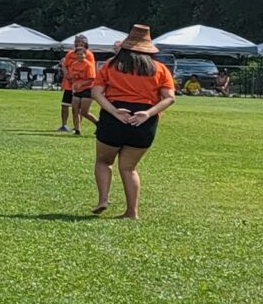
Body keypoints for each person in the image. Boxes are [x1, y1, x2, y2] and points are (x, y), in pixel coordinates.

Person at [90, 25, 177, 219]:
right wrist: (147, 113)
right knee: (129, 168)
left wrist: (113, 111)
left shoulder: (111, 66)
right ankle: (132, 212)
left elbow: (96, 93)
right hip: (144, 122)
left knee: (104, 161)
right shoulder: (160, 69)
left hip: (114, 118)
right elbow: (169, 97)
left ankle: (103, 200)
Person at [58, 36, 97, 135]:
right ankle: (75, 129)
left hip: (86, 88)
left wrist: (80, 83)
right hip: (73, 87)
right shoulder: (73, 60)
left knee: (83, 111)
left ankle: (99, 124)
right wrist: (70, 79)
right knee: (71, 107)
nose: (79, 55)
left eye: (81, 42)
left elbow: (91, 77)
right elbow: (66, 68)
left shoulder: (88, 61)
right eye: (77, 41)